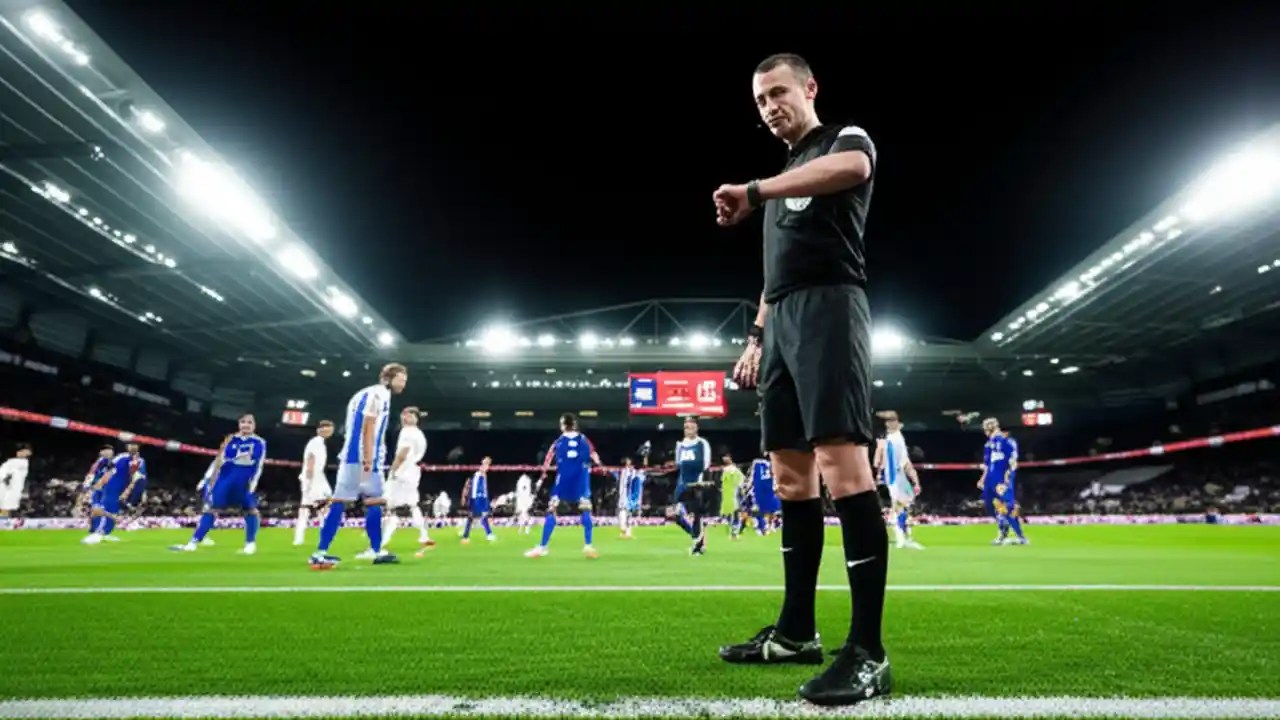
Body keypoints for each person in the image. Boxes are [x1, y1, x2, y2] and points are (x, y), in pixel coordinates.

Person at [713, 53, 890, 705]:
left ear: (809, 88)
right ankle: (796, 632)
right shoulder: (787, 173)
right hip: (783, 318)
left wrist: (757, 190)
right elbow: (773, 274)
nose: (769, 107)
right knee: (791, 474)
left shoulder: (842, 139)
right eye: (760, 100)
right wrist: (757, 338)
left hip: (832, 307)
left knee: (842, 464)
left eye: (778, 93)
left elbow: (855, 169)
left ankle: (868, 650)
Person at [310, 363, 408, 568]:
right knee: (372, 502)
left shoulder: (365, 393)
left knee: (344, 502)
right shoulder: (379, 395)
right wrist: (368, 458)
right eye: (401, 379)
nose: (403, 383)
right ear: (388, 378)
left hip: (351, 456)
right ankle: (375, 550)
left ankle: (321, 551)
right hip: (364, 457)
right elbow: (368, 426)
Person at [171, 414, 265, 554]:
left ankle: (250, 544)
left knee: (250, 510)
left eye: (249, 422)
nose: (246, 425)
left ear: (254, 425)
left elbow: (259, 464)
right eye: (243, 422)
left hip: (244, 480)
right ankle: (193, 543)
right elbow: (218, 460)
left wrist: (254, 482)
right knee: (210, 509)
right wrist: (206, 478)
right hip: (225, 479)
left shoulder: (259, 442)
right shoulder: (230, 439)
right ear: (239, 424)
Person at [526, 413, 601, 559]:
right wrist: (601, 468)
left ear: (563, 425)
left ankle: (542, 547)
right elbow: (595, 457)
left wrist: (542, 477)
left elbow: (547, 461)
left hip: (564, 479)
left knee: (552, 509)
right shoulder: (584, 440)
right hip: (581, 479)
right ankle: (588, 545)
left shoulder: (558, 441)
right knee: (586, 510)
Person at [384, 408, 430, 549]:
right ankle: (424, 535)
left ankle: (383, 540)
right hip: (413, 472)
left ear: (416, 418)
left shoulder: (407, 432)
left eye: (409, 415)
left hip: (402, 472)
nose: (405, 418)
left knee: (392, 506)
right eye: (403, 415)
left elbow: (402, 453)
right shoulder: (419, 434)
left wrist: (393, 470)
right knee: (412, 505)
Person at [978, 418, 1028, 545]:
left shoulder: (1007, 441)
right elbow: (988, 464)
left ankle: (1020, 536)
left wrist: (1008, 475)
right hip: (991, 479)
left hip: (1002, 478)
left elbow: (1013, 461)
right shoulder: (988, 445)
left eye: (986, 428)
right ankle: (1002, 533)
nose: (985, 431)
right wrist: (983, 479)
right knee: (993, 506)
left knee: (1008, 505)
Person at [878, 411, 923, 550]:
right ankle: (901, 539)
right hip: (895, 477)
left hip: (898, 476)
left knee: (905, 506)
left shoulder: (894, 438)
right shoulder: (892, 439)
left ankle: (904, 536)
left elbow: (903, 460)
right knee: (900, 506)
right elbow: (899, 461)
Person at [83, 443, 145, 544]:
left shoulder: (136, 459)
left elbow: (134, 473)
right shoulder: (117, 458)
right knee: (100, 509)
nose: (132, 447)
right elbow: (103, 472)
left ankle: (104, 533)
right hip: (104, 487)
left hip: (113, 488)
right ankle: (97, 533)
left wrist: (128, 489)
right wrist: (92, 485)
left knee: (108, 510)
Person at [670, 417, 713, 555]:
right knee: (676, 514)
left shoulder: (702, 443)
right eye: (686, 427)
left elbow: (706, 464)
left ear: (696, 428)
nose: (688, 430)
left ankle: (697, 544)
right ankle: (698, 537)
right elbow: (678, 464)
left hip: (696, 483)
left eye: (691, 427)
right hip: (682, 482)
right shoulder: (680, 445)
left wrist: (701, 480)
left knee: (695, 515)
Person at [294, 421, 335, 546]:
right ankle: (324, 531)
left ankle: (299, 537)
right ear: (319, 430)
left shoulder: (320, 442)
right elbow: (311, 458)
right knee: (322, 503)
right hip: (313, 477)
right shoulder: (316, 441)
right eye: (325, 428)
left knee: (307, 507)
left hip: (314, 476)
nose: (328, 431)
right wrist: (310, 477)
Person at [79, 445, 114, 537]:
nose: (110, 452)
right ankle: (97, 532)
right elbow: (91, 474)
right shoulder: (102, 462)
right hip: (98, 489)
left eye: (111, 451)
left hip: (103, 489)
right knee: (99, 509)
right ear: (101, 452)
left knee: (99, 509)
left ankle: (97, 531)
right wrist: (86, 486)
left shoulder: (108, 462)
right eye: (107, 450)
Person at [460, 456, 495, 543]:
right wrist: (464, 496)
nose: (487, 467)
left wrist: (486, 498)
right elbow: (467, 485)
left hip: (481, 498)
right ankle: (488, 534)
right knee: (476, 516)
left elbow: (485, 487)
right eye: (486, 464)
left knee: (475, 517)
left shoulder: (482, 474)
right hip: (477, 498)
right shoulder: (478, 473)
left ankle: (466, 536)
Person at [748, 456, 780, 535]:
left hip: (762, 488)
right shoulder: (768, 464)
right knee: (764, 509)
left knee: (762, 509)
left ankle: (766, 526)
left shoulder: (757, 463)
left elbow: (752, 474)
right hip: (765, 488)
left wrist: (749, 484)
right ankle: (764, 526)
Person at [0, 443, 32, 517]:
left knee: (7, 507)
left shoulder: (22, 463)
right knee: (4, 508)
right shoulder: (11, 463)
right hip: (6, 490)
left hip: (12, 491)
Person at [719, 453, 747, 539]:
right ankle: (735, 530)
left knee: (736, 513)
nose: (725, 459)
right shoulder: (728, 470)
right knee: (733, 513)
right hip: (730, 495)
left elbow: (741, 482)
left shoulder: (734, 471)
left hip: (735, 495)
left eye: (726, 457)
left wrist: (741, 489)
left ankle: (736, 531)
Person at [616, 457, 644, 539]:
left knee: (629, 512)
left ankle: (627, 532)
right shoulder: (624, 472)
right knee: (623, 509)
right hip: (624, 493)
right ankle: (623, 530)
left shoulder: (631, 472)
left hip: (629, 494)